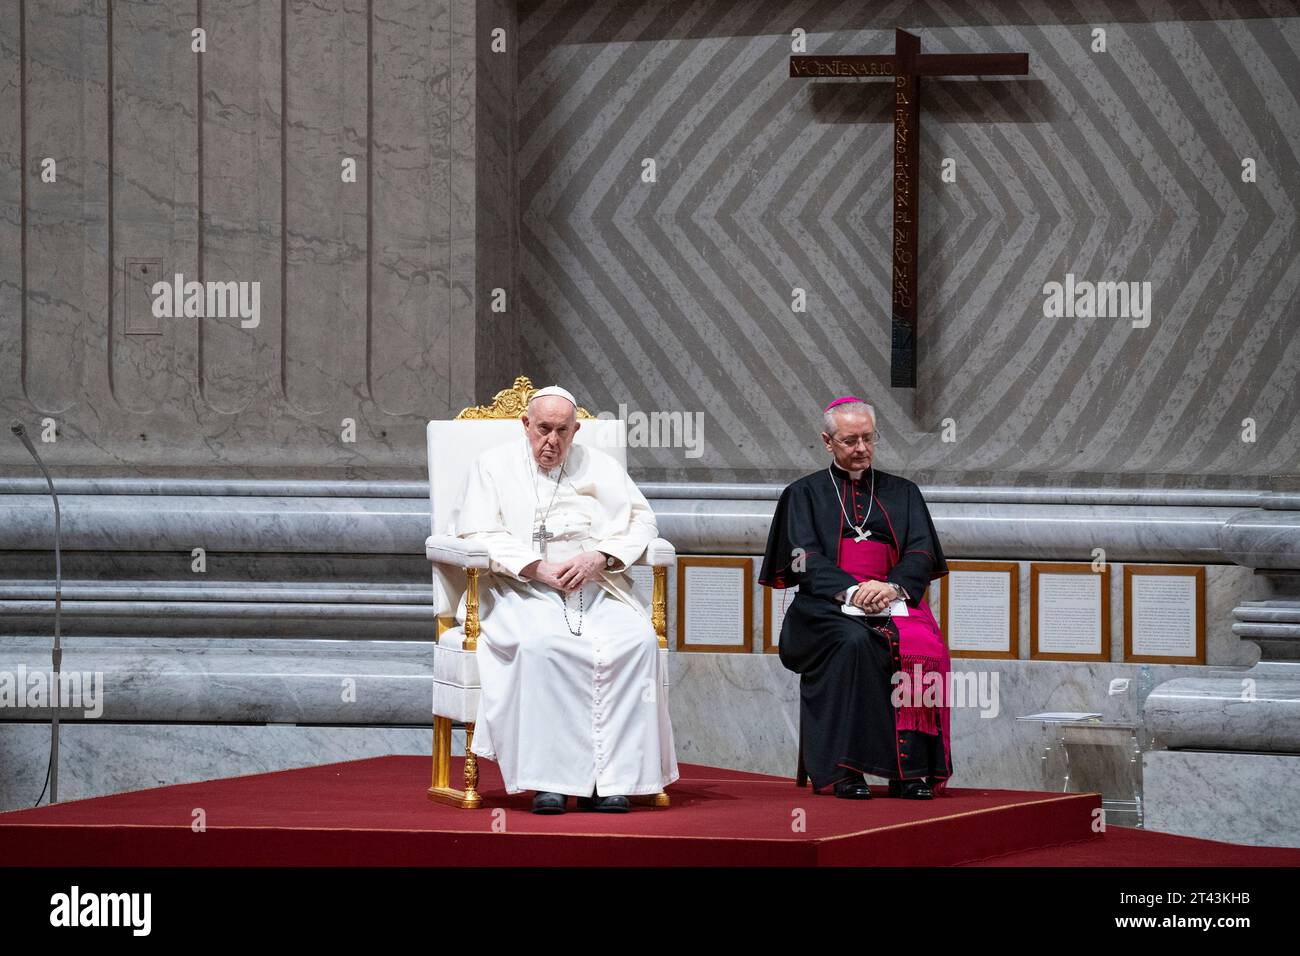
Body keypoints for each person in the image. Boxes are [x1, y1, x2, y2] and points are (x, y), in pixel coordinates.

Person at [452, 385, 679, 813]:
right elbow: (478, 532)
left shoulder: (604, 468)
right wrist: (536, 567)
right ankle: (548, 783)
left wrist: (601, 556)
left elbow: (643, 521)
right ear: (525, 425)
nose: (551, 441)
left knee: (638, 642)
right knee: (544, 646)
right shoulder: (492, 467)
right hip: (520, 588)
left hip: (597, 588)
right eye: (543, 429)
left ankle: (614, 781)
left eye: (562, 431)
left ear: (576, 430)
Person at [759, 396, 952, 799]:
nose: (862, 448)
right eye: (850, 440)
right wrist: (851, 590)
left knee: (921, 644)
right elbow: (801, 557)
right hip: (825, 608)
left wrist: (892, 587)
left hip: (892, 600)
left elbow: (921, 550)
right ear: (827, 442)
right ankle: (845, 770)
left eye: (868, 438)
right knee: (855, 643)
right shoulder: (804, 494)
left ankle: (910, 771)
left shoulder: (904, 492)